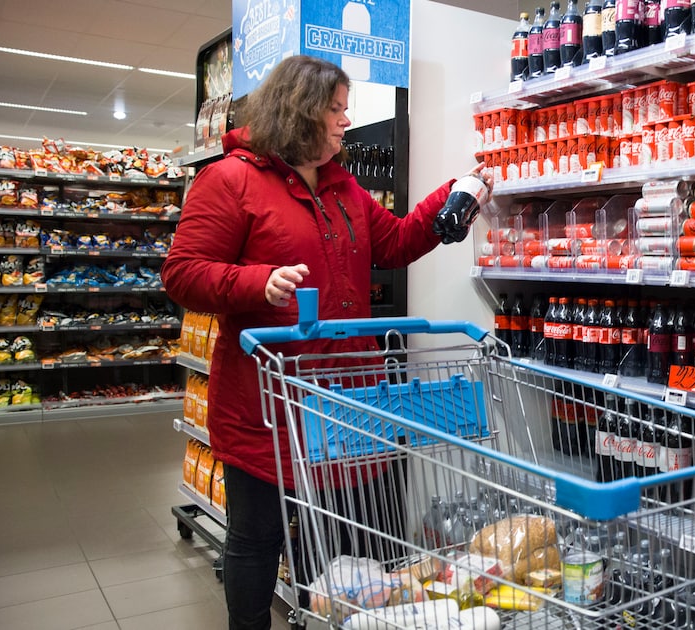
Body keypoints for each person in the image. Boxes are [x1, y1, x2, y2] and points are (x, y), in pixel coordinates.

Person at [161, 55, 488, 629]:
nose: (345, 121)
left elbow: (393, 246)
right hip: (265, 404)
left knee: (331, 545)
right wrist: (256, 283)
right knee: (256, 541)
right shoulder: (231, 179)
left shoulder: (345, 189)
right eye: (336, 110)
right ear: (301, 111)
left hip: (342, 404)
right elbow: (182, 273)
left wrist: (453, 195)